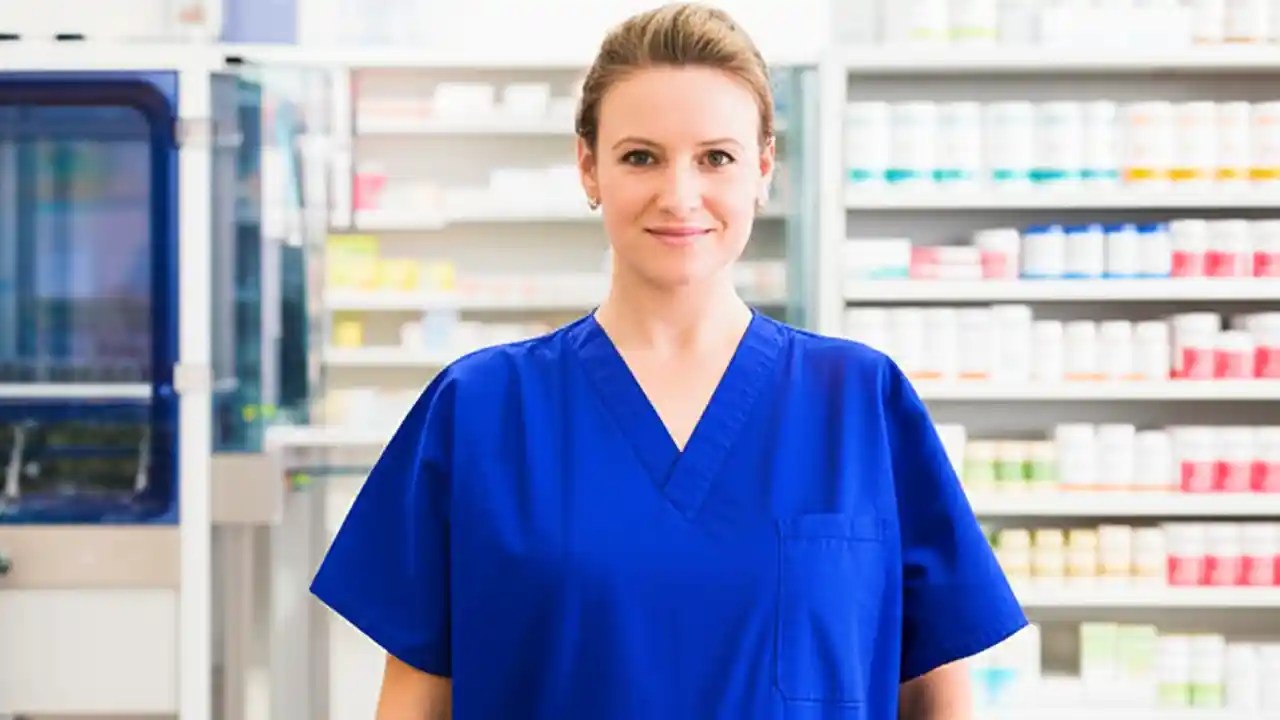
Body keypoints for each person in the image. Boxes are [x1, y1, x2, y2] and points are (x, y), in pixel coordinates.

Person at [310, 3, 1028, 718]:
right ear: (589, 167)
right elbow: (416, 698)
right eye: (640, 156)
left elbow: (935, 693)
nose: (679, 195)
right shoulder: (481, 409)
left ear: (763, 168)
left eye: (716, 157)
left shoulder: (859, 403)